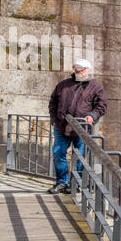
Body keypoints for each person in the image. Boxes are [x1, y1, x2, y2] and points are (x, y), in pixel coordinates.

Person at [47, 58, 107, 194]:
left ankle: (76, 184)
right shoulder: (63, 85)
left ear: (88, 70)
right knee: (58, 153)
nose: (78, 71)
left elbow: (101, 105)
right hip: (62, 126)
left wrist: (92, 115)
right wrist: (53, 118)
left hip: (82, 129)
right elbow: (53, 102)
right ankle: (61, 182)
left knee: (80, 157)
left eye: (82, 69)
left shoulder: (96, 88)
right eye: (77, 69)